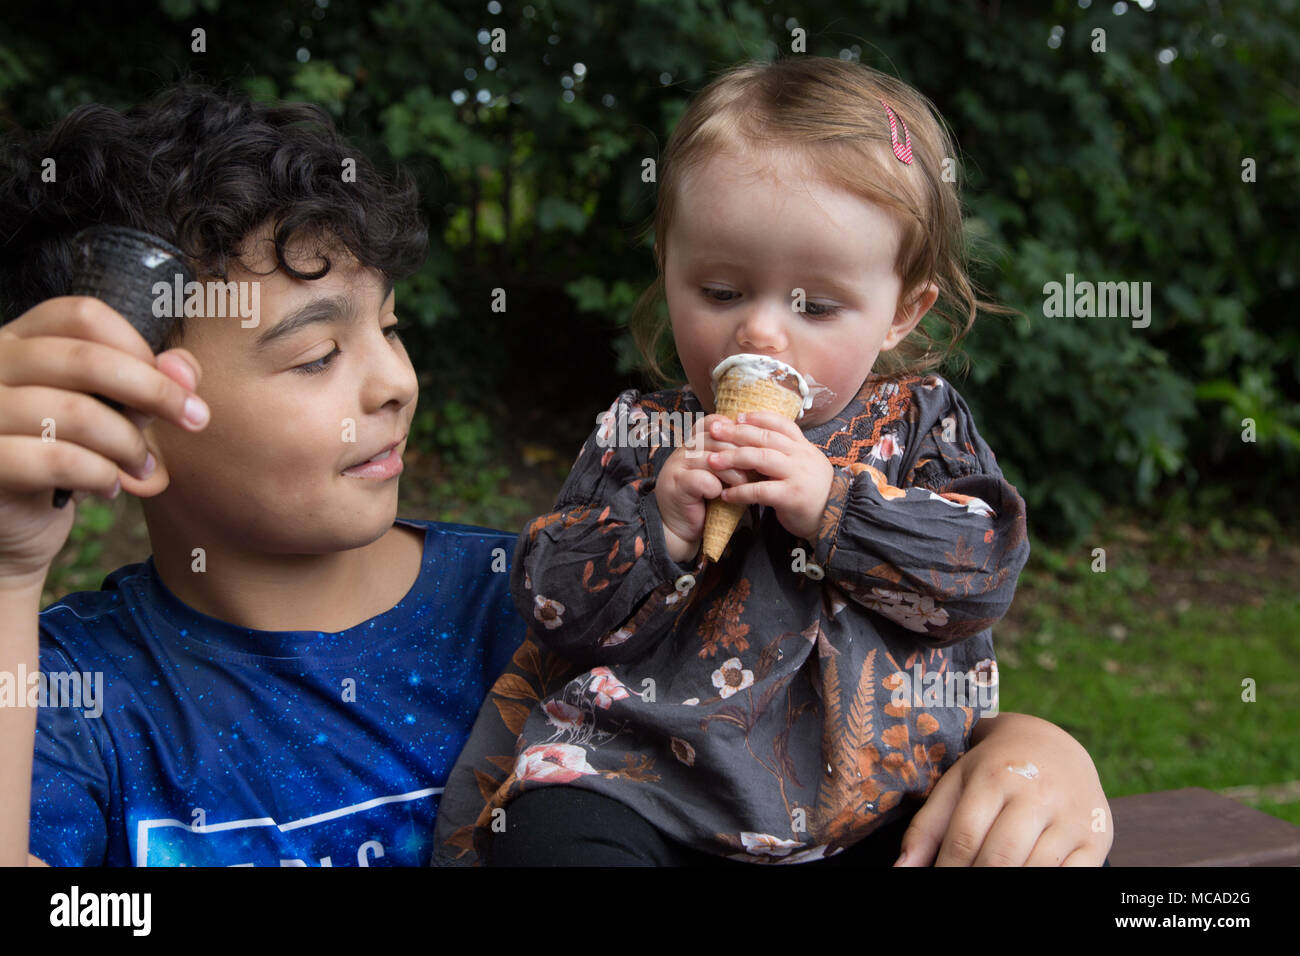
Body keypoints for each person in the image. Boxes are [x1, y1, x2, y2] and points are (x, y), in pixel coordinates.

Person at [434, 57, 1113, 866]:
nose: (760, 332)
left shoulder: (921, 425)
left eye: (816, 306)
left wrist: (835, 503)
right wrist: (657, 528)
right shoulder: (641, 434)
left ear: (903, 310)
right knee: (547, 837)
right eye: (720, 291)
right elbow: (552, 604)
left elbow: (980, 577)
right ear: (668, 267)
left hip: (867, 796)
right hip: (638, 780)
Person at [0, 82, 522, 866]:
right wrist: (7, 574)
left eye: (389, 327)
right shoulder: (74, 698)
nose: (397, 383)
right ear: (125, 417)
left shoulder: (529, 603)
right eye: (317, 357)